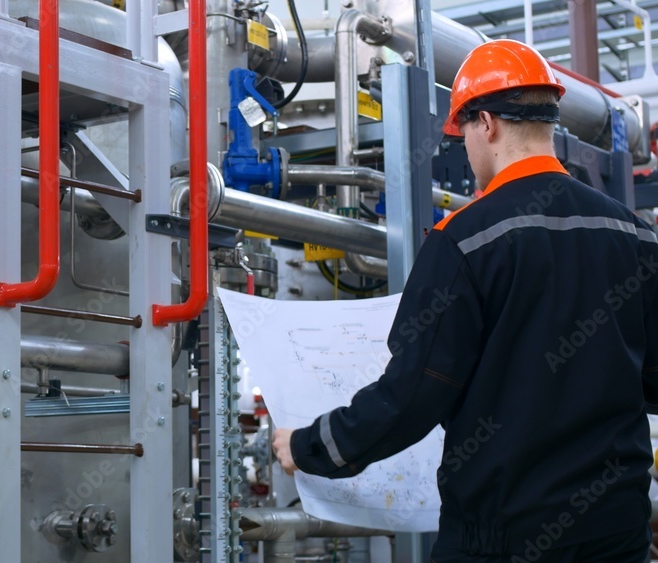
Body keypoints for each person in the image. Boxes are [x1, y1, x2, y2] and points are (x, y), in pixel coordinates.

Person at [271, 39, 658, 562]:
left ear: (486, 125)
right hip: (618, 535)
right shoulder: (633, 234)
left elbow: (408, 400)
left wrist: (307, 446)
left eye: (463, 136)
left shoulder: (466, 240)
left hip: (503, 539)